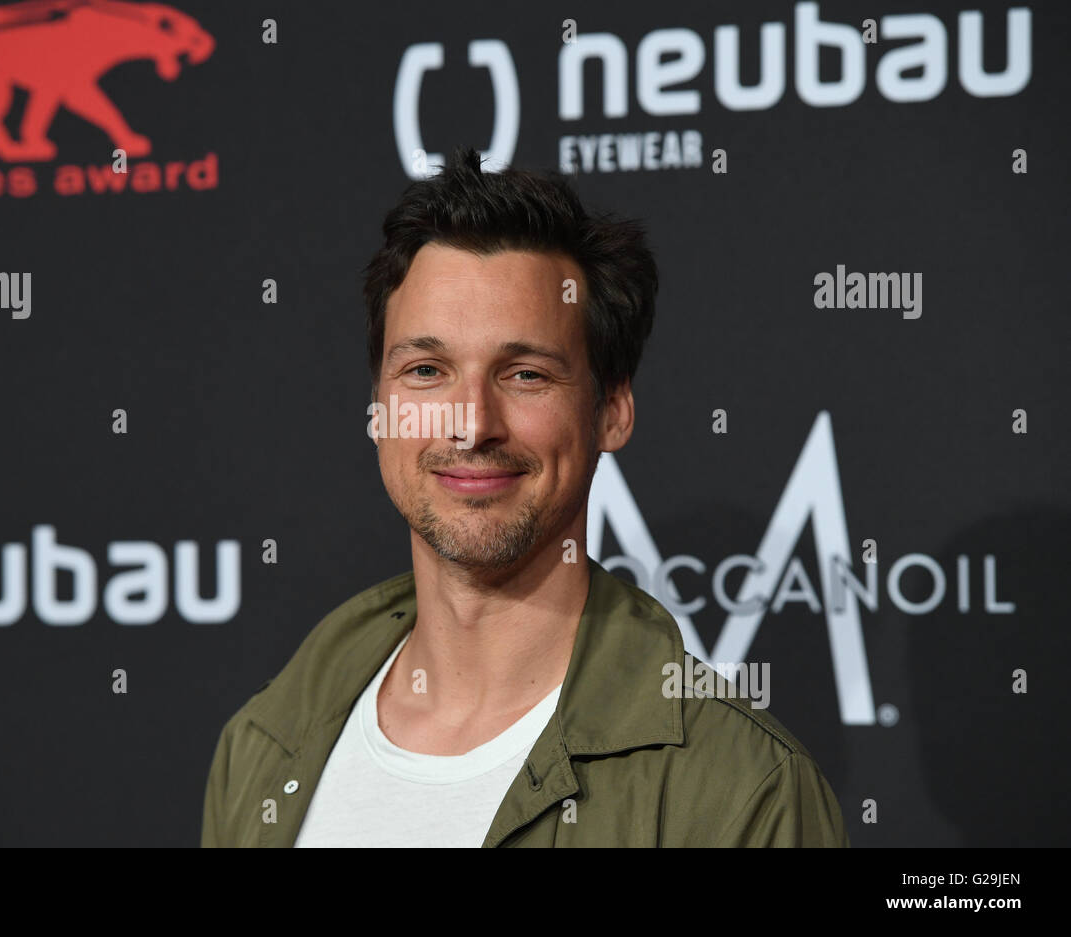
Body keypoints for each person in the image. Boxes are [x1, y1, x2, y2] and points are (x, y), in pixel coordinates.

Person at [201, 146, 848, 847]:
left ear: (613, 410)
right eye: (426, 369)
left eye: (527, 374)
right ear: (379, 408)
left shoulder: (739, 790)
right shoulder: (262, 748)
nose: (472, 423)